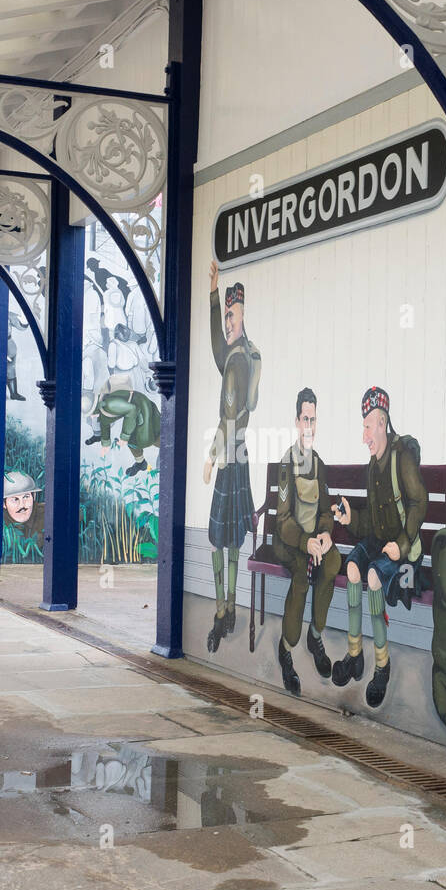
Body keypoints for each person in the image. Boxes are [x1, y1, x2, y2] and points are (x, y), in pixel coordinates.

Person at [329, 387, 426, 708]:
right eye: (363, 428)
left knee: (372, 578)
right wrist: (349, 518)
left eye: (368, 427)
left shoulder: (402, 458)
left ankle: (382, 665)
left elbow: (419, 501)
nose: (364, 436)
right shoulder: (373, 465)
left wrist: (401, 543)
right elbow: (371, 521)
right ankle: (355, 656)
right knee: (354, 567)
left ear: (382, 423)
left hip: (403, 546)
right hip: (380, 540)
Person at [203, 258, 261, 652]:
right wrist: (213, 294)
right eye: (225, 315)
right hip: (240, 454)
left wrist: (210, 456)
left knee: (217, 539)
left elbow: (227, 416)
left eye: (231, 315)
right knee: (233, 539)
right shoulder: (248, 353)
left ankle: (223, 610)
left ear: (243, 315)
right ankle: (230, 610)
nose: (227, 322)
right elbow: (216, 348)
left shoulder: (236, 364)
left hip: (228, 455)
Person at [270, 388, 340, 697]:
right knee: (302, 574)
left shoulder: (319, 464)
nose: (309, 425)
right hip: (290, 543)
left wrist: (324, 535)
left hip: (314, 542)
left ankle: (315, 635)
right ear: (297, 421)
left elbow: (326, 510)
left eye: (313, 419)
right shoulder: (287, 465)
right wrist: (306, 542)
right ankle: (287, 648)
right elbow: (282, 519)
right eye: (304, 419)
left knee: (334, 561)